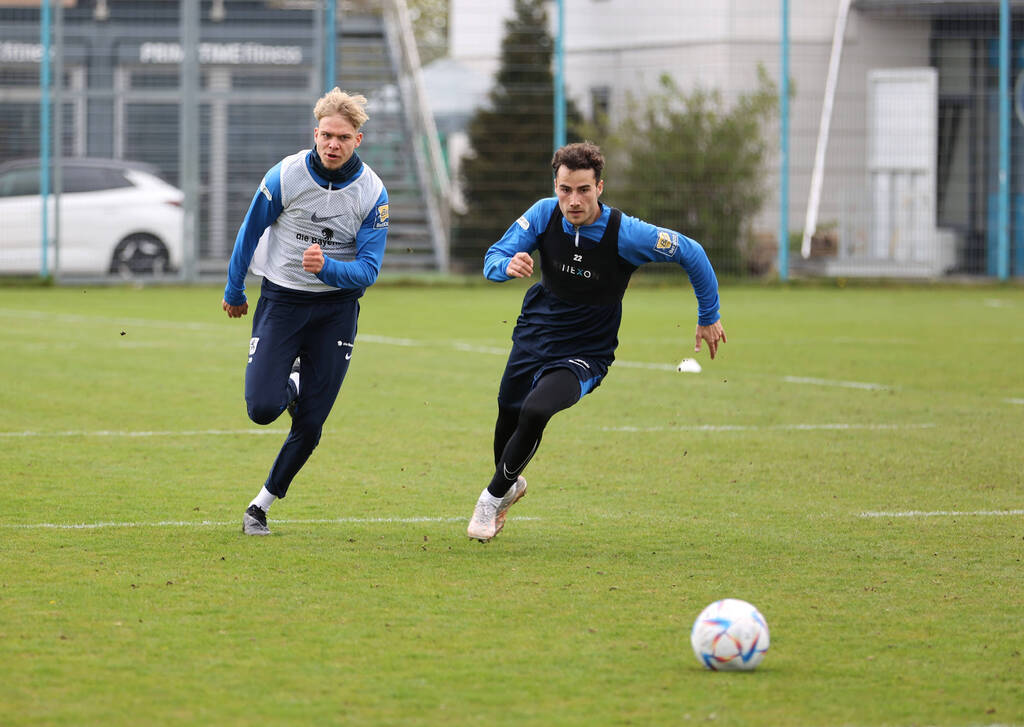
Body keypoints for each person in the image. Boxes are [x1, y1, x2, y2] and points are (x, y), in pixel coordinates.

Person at [467, 141, 726, 542]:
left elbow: (690, 252)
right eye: (565, 189)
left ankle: (492, 496)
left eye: (583, 190)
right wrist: (507, 264)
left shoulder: (628, 234)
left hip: (586, 352)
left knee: (536, 409)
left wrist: (708, 316)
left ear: (599, 187)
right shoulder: (541, 214)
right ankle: (511, 484)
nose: (573, 200)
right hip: (535, 334)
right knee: (508, 409)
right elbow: (492, 259)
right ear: (556, 186)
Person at [221, 88, 389, 536]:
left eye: (344, 137)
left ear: (358, 141)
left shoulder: (372, 193)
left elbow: (368, 270)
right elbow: (250, 229)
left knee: (311, 424)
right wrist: (234, 287)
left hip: (335, 311)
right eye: (327, 135)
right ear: (315, 134)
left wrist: (328, 268)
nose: (334, 144)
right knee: (261, 408)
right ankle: (293, 379)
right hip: (283, 301)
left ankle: (259, 507)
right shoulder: (285, 176)